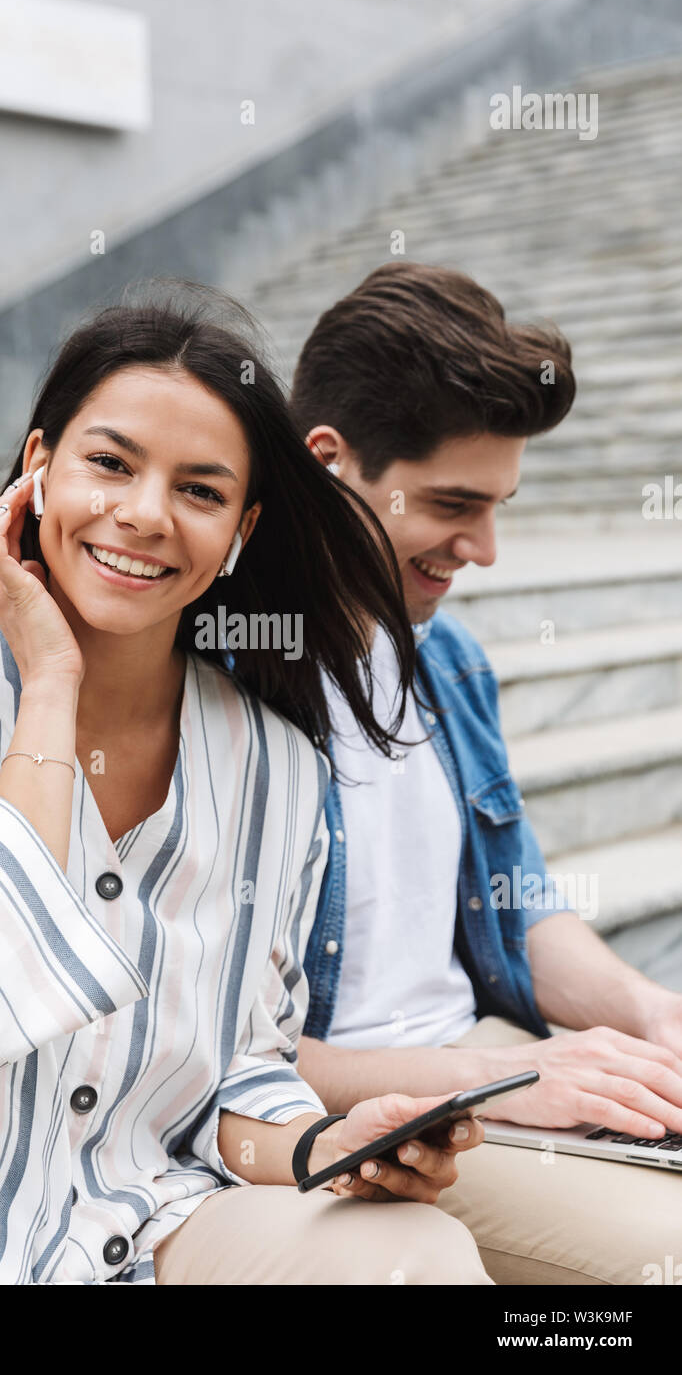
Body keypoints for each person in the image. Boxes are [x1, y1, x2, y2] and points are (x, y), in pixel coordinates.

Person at [0, 288, 489, 1286]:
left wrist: (326, 1145)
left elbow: (242, 1068)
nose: (142, 513)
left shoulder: (275, 764)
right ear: (38, 469)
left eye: (200, 490)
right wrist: (49, 682)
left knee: (414, 1254)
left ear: (241, 529)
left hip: (151, 1228)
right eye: (110, 463)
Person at [290, 261, 682, 1285]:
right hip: (367, 1118)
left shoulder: (447, 659)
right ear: (328, 465)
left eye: (500, 504)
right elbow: (216, 1053)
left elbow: (518, 909)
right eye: (456, 504)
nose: (486, 548)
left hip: (489, 1060)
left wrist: (649, 1014)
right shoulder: (222, 679)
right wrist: (498, 1076)